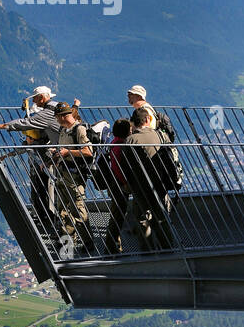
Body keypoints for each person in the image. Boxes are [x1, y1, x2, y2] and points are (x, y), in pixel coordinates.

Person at [0, 86, 60, 238]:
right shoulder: (58, 108)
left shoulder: (46, 114)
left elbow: (25, 123)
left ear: (42, 98)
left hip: (46, 159)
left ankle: (49, 220)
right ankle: (50, 218)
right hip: (52, 156)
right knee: (46, 188)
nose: (34, 101)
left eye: (35, 98)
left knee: (41, 188)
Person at [120, 108, 174, 251]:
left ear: (133, 123)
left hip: (140, 184)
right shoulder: (161, 136)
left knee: (141, 217)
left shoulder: (130, 140)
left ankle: (147, 248)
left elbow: (126, 165)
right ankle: (168, 247)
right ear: (148, 120)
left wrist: (127, 184)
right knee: (161, 216)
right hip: (161, 182)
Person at [49, 102, 96, 256]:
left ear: (63, 116)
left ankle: (88, 243)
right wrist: (58, 155)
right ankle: (66, 247)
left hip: (75, 175)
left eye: (57, 117)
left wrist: (67, 152)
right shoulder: (64, 129)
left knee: (78, 211)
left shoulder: (79, 129)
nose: (56, 120)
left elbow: (88, 152)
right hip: (63, 173)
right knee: (62, 210)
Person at [101, 118, 133, 253]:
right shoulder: (120, 147)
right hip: (119, 185)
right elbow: (117, 168)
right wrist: (125, 183)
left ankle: (114, 245)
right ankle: (111, 246)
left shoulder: (114, 143)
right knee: (117, 215)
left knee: (117, 214)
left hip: (114, 184)